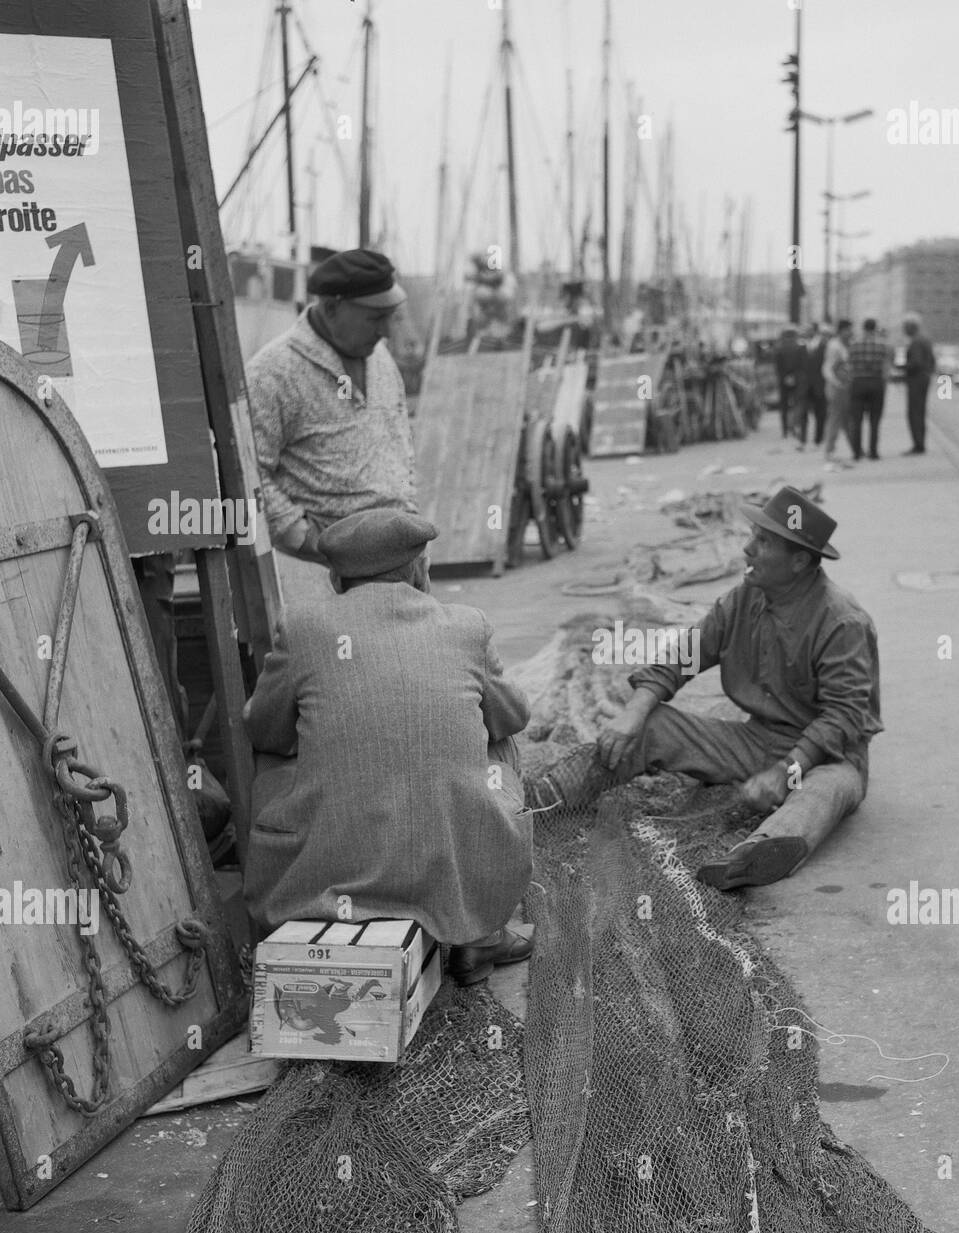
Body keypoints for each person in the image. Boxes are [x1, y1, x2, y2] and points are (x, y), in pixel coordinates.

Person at [529, 487, 882, 891]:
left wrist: (785, 773)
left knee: (823, 792)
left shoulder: (842, 621)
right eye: (753, 536)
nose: (747, 549)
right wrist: (633, 712)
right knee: (650, 725)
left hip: (828, 758)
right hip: (758, 740)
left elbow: (843, 718)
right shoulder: (744, 598)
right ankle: (548, 799)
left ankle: (754, 855)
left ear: (800, 561)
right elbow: (686, 656)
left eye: (763, 541)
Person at [241, 508, 534, 986]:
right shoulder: (467, 625)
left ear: (336, 579)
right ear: (420, 569)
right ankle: (476, 936)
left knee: (275, 756)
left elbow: (265, 731)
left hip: (331, 858)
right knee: (498, 737)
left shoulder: (302, 626)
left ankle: (317, 897)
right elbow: (515, 715)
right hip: (447, 849)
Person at [246, 249, 418, 566]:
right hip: (322, 568)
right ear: (331, 308)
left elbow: (401, 444)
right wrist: (301, 537)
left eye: (389, 317)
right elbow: (249, 472)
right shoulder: (272, 373)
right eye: (375, 318)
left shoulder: (380, 359)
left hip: (400, 556)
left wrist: (410, 519)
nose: (385, 332)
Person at [846, 318, 892, 461]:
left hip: (858, 382)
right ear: (875, 328)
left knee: (856, 420)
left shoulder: (854, 344)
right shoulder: (883, 345)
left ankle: (857, 453)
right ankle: (873, 452)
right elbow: (887, 368)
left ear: (863, 328)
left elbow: (849, 365)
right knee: (875, 419)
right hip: (876, 382)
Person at [901, 313, 937, 455]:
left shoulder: (916, 342)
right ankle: (920, 443)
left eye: (905, 327)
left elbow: (916, 362)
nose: (904, 330)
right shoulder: (925, 340)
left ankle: (918, 444)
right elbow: (932, 360)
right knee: (920, 412)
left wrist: (903, 368)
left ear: (911, 327)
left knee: (914, 412)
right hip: (924, 378)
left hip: (916, 379)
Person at [822, 319, 853, 460]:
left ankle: (856, 448)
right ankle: (829, 450)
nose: (851, 332)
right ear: (842, 330)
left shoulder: (846, 344)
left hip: (844, 387)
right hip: (836, 387)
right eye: (849, 329)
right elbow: (827, 368)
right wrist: (836, 382)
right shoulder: (834, 346)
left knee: (847, 419)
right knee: (835, 419)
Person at [795, 323, 829, 450]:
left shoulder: (824, 346)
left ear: (815, 331)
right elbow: (797, 367)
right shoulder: (801, 347)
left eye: (808, 330)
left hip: (819, 385)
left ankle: (818, 440)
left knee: (820, 414)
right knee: (802, 413)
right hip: (804, 386)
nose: (806, 332)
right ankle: (802, 440)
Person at [773, 328, 806, 439]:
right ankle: (796, 426)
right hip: (797, 380)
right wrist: (793, 376)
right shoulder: (800, 348)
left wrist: (785, 377)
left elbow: (777, 367)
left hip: (783, 381)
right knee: (797, 404)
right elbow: (802, 365)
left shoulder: (779, 349)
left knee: (784, 406)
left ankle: (785, 430)